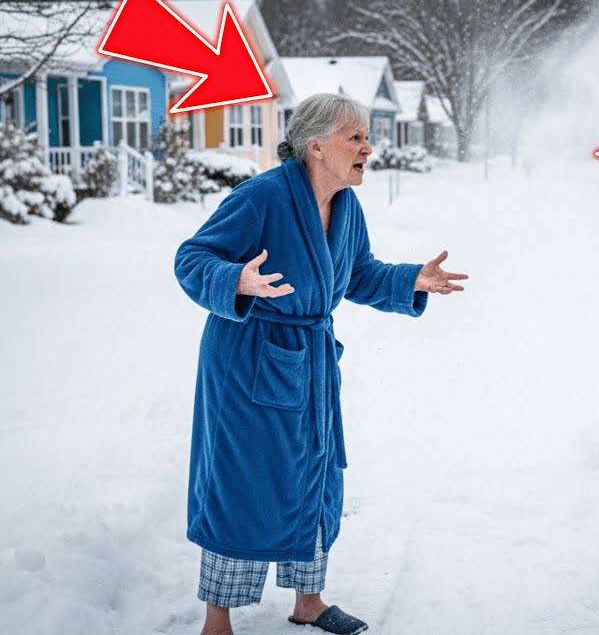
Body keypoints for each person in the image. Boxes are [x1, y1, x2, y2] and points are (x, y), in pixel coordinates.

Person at [174, 93, 469, 635]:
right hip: (247, 360)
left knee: (315, 468)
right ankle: (217, 619)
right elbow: (192, 258)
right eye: (354, 137)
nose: (368, 147)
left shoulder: (345, 206)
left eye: (365, 137)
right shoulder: (260, 198)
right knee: (244, 479)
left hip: (308, 360)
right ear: (315, 146)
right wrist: (234, 280)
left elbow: (356, 275)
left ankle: (308, 601)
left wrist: (411, 280)